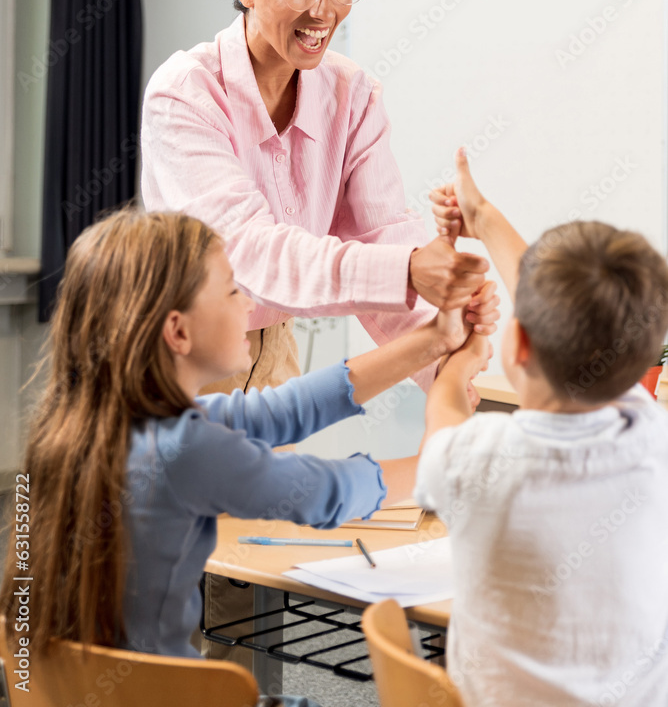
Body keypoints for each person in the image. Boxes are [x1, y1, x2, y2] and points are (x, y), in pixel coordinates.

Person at [0, 209, 497, 707]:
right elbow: (328, 493)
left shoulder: (79, 427)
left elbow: (286, 409)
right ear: (178, 332)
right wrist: (450, 395)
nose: (251, 303)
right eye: (234, 290)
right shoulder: (186, 447)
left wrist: (435, 340)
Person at [140, 0, 492, 401]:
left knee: (278, 480)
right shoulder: (187, 91)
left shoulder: (353, 95)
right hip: (178, 351)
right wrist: (411, 272)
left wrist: (448, 352)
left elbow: (383, 232)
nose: (325, 9)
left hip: (274, 347)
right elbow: (243, 251)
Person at [416, 149, 668, 707]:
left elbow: (443, 420)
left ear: (520, 344)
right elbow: (583, 317)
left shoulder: (477, 458)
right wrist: (480, 216)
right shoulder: (653, 437)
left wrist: (457, 363)